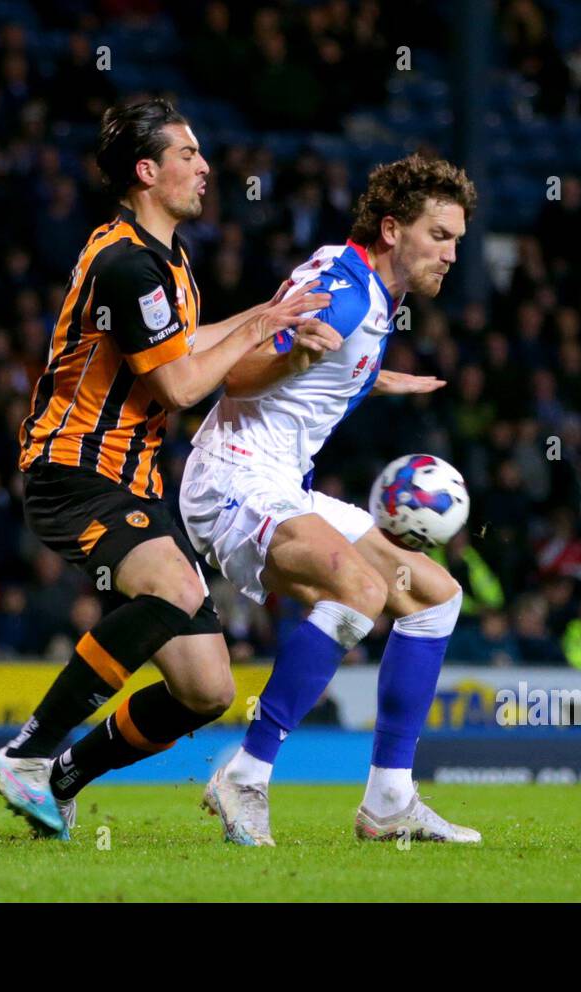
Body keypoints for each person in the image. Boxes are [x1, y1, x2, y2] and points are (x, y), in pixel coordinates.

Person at [0, 99, 329, 839]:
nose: (205, 167)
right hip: (77, 468)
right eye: (188, 154)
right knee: (174, 589)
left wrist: (264, 315)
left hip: (130, 483)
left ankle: (63, 779)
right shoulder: (126, 263)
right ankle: (29, 753)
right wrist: (261, 328)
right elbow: (179, 386)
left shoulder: (166, 260)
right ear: (147, 171)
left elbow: (186, 344)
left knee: (206, 689)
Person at [180, 154, 482, 845]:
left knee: (434, 598)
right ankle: (245, 775)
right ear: (392, 229)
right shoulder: (344, 291)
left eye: (457, 240)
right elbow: (236, 375)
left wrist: (374, 378)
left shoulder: (372, 291)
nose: (452, 254)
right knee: (360, 590)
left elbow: (326, 362)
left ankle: (390, 799)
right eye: (439, 236)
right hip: (233, 480)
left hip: (282, 483)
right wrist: (295, 358)